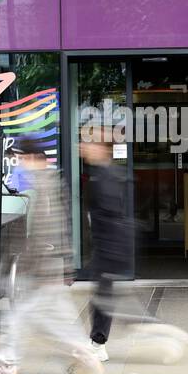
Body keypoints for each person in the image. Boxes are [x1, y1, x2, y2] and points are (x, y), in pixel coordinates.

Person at [0, 141, 102, 374]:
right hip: (50, 269)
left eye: (22, 158)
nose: (20, 164)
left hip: (43, 271)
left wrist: (35, 266)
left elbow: (44, 231)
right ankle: (86, 357)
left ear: (33, 157)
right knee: (56, 322)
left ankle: (6, 364)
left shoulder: (43, 186)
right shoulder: (50, 182)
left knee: (17, 317)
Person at [79, 136, 132, 362]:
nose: (83, 148)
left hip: (108, 246)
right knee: (103, 295)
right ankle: (98, 342)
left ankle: (98, 343)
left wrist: (108, 249)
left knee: (102, 296)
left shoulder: (105, 177)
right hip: (105, 246)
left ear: (101, 149)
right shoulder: (101, 174)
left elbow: (111, 215)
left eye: (88, 144)